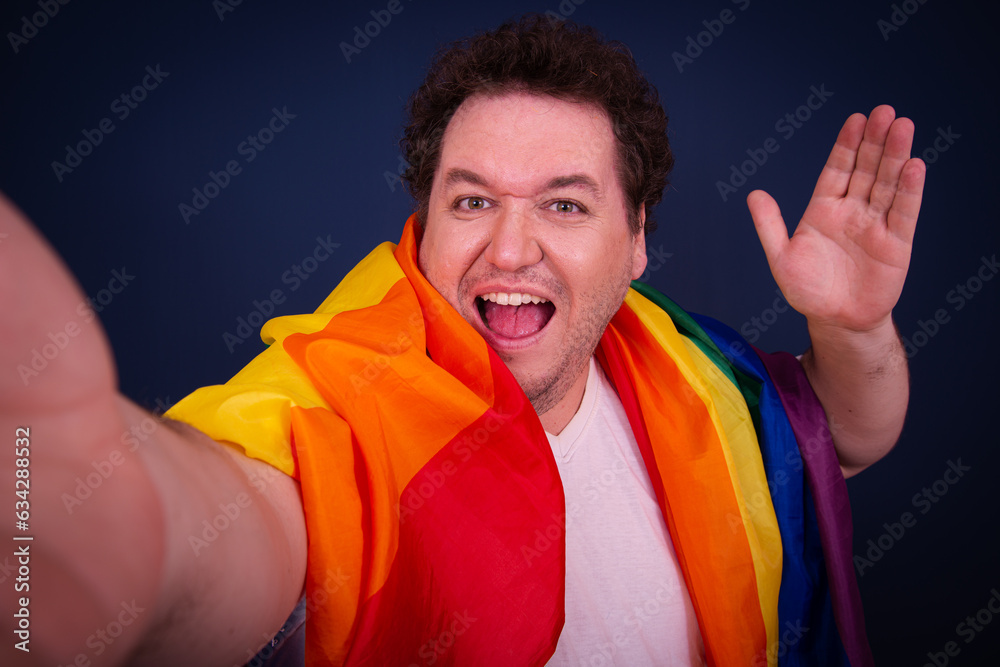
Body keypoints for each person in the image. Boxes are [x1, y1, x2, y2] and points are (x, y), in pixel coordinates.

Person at [0, 14, 924, 667]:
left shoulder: (686, 367)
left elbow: (839, 433)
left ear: (638, 239)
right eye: (473, 199)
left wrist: (855, 328)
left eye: (564, 203)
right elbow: (256, 512)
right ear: (426, 224)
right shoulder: (354, 390)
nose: (509, 248)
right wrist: (112, 512)